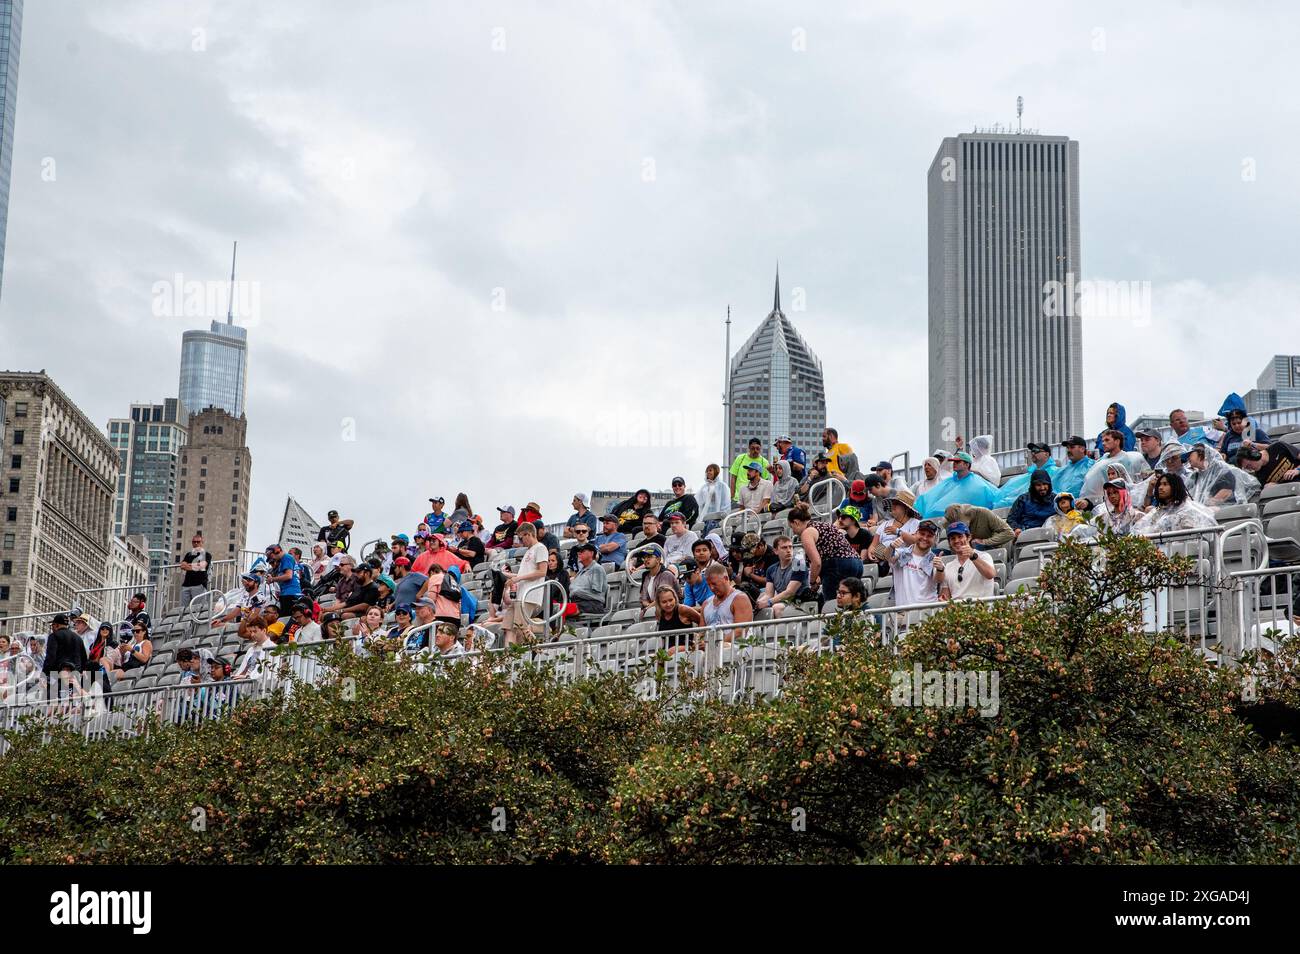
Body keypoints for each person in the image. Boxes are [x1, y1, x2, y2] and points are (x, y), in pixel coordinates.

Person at [787, 501, 863, 607]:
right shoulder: (822, 525)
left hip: (837, 565)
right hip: (857, 563)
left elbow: (816, 562)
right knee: (853, 602)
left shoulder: (807, 533)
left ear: (796, 522)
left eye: (792, 527)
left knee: (832, 605)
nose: (794, 532)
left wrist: (812, 582)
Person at [500, 521, 549, 645]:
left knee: (522, 627)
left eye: (521, 538)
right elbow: (525, 574)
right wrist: (509, 576)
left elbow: (542, 572)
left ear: (528, 534)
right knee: (509, 628)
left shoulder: (540, 548)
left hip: (529, 595)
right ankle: (509, 654)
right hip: (520, 595)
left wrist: (517, 578)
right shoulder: (529, 550)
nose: (521, 542)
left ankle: (539, 650)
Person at [916, 451, 997, 519]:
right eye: (953, 461)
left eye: (957, 462)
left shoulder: (976, 482)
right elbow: (932, 496)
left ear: (967, 465)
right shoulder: (948, 481)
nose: (954, 464)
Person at [1133, 472, 1217, 535]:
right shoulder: (1159, 508)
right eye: (1159, 485)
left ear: (1175, 487)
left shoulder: (1187, 508)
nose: (1160, 488)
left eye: (1165, 484)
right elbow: (1142, 525)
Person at [885, 519, 944, 606]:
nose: (925, 538)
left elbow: (938, 580)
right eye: (922, 534)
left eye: (929, 536)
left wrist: (940, 569)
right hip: (904, 611)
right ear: (916, 533)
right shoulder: (901, 553)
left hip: (928, 611)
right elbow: (888, 557)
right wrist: (891, 547)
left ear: (935, 539)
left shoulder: (936, 559)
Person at [939, 522, 996, 600]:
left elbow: (991, 574)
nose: (956, 541)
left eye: (960, 536)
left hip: (982, 605)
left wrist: (973, 556)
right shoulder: (948, 566)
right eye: (952, 538)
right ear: (949, 542)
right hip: (957, 607)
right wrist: (942, 599)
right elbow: (946, 596)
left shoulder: (984, 556)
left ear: (969, 537)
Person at [756, 536, 810, 618]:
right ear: (775, 551)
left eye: (790, 547)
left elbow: (790, 592)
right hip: (784, 602)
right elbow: (768, 595)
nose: (788, 550)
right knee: (759, 604)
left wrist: (769, 602)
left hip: (800, 601)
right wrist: (757, 603)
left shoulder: (799, 564)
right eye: (784, 548)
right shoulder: (771, 569)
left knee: (777, 607)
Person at [867, 492, 921, 564]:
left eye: (897, 504)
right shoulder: (885, 524)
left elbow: (916, 541)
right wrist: (870, 553)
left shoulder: (915, 523)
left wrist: (898, 532)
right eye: (893, 503)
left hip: (904, 561)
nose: (893, 505)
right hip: (881, 559)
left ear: (906, 508)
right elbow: (874, 544)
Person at [700, 563, 753, 633]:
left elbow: (740, 632)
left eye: (714, 584)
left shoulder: (740, 599)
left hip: (735, 640)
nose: (711, 588)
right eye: (709, 585)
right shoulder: (706, 604)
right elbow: (701, 633)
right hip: (711, 639)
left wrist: (718, 640)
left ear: (725, 578)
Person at [1008, 469, 1058, 536]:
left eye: (1044, 484)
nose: (1042, 488)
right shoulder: (1023, 499)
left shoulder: (1056, 499)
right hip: (1029, 534)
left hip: (1052, 533)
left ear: (1049, 484)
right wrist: (1016, 528)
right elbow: (1011, 519)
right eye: (1038, 485)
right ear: (1033, 486)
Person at [655, 585, 703, 653]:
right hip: (667, 651)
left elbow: (703, 620)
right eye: (664, 602)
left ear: (675, 598)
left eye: (671, 600)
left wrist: (699, 639)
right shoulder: (659, 613)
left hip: (687, 649)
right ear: (659, 603)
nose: (668, 604)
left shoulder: (682, 609)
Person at [232, 615, 282, 681]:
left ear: (264, 630)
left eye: (255, 631)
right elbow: (242, 670)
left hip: (259, 685)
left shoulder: (274, 649)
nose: (252, 635)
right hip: (244, 684)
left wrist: (248, 677)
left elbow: (271, 675)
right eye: (251, 632)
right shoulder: (250, 649)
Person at [944, 504, 1013, 550]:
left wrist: (984, 542)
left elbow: (1009, 533)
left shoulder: (983, 513)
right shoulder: (946, 523)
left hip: (988, 550)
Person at [636, 544, 680, 615]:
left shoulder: (666, 574)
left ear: (658, 559)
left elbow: (662, 598)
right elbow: (643, 599)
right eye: (644, 557)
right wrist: (649, 607)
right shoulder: (645, 575)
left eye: (649, 557)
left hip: (672, 611)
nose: (646, 559)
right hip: (655, 610)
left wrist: (646, 609)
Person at [569, 543, 609, 616]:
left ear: (591, 553)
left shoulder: (597, 569)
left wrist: (576, 592)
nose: (579, 553)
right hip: (579, 603)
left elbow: (596, 593)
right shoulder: (581, 571)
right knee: (557, 608)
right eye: (579, 552)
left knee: (564, 610)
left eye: (582, 551)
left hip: (592, 604)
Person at [178, 533, 213, 614]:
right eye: (194, 542)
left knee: (197, 610)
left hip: (199, 585)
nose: (196, 543)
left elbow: (203, 566)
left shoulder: (207, 555)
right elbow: (182, 566)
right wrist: (196, 566)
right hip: (186, 585)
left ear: (202, 542)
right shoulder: (188, 554)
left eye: (198, 542)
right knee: (183, 610)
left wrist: (189, 565)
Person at [265, 544, 303, 616]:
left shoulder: (286, 557)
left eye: (271, 556)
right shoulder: (283, 560)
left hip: (290, 594)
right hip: (288, 593)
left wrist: (272, 579)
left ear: (277, 551)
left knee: (285, 618)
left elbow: (288, 576)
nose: (272, 559)